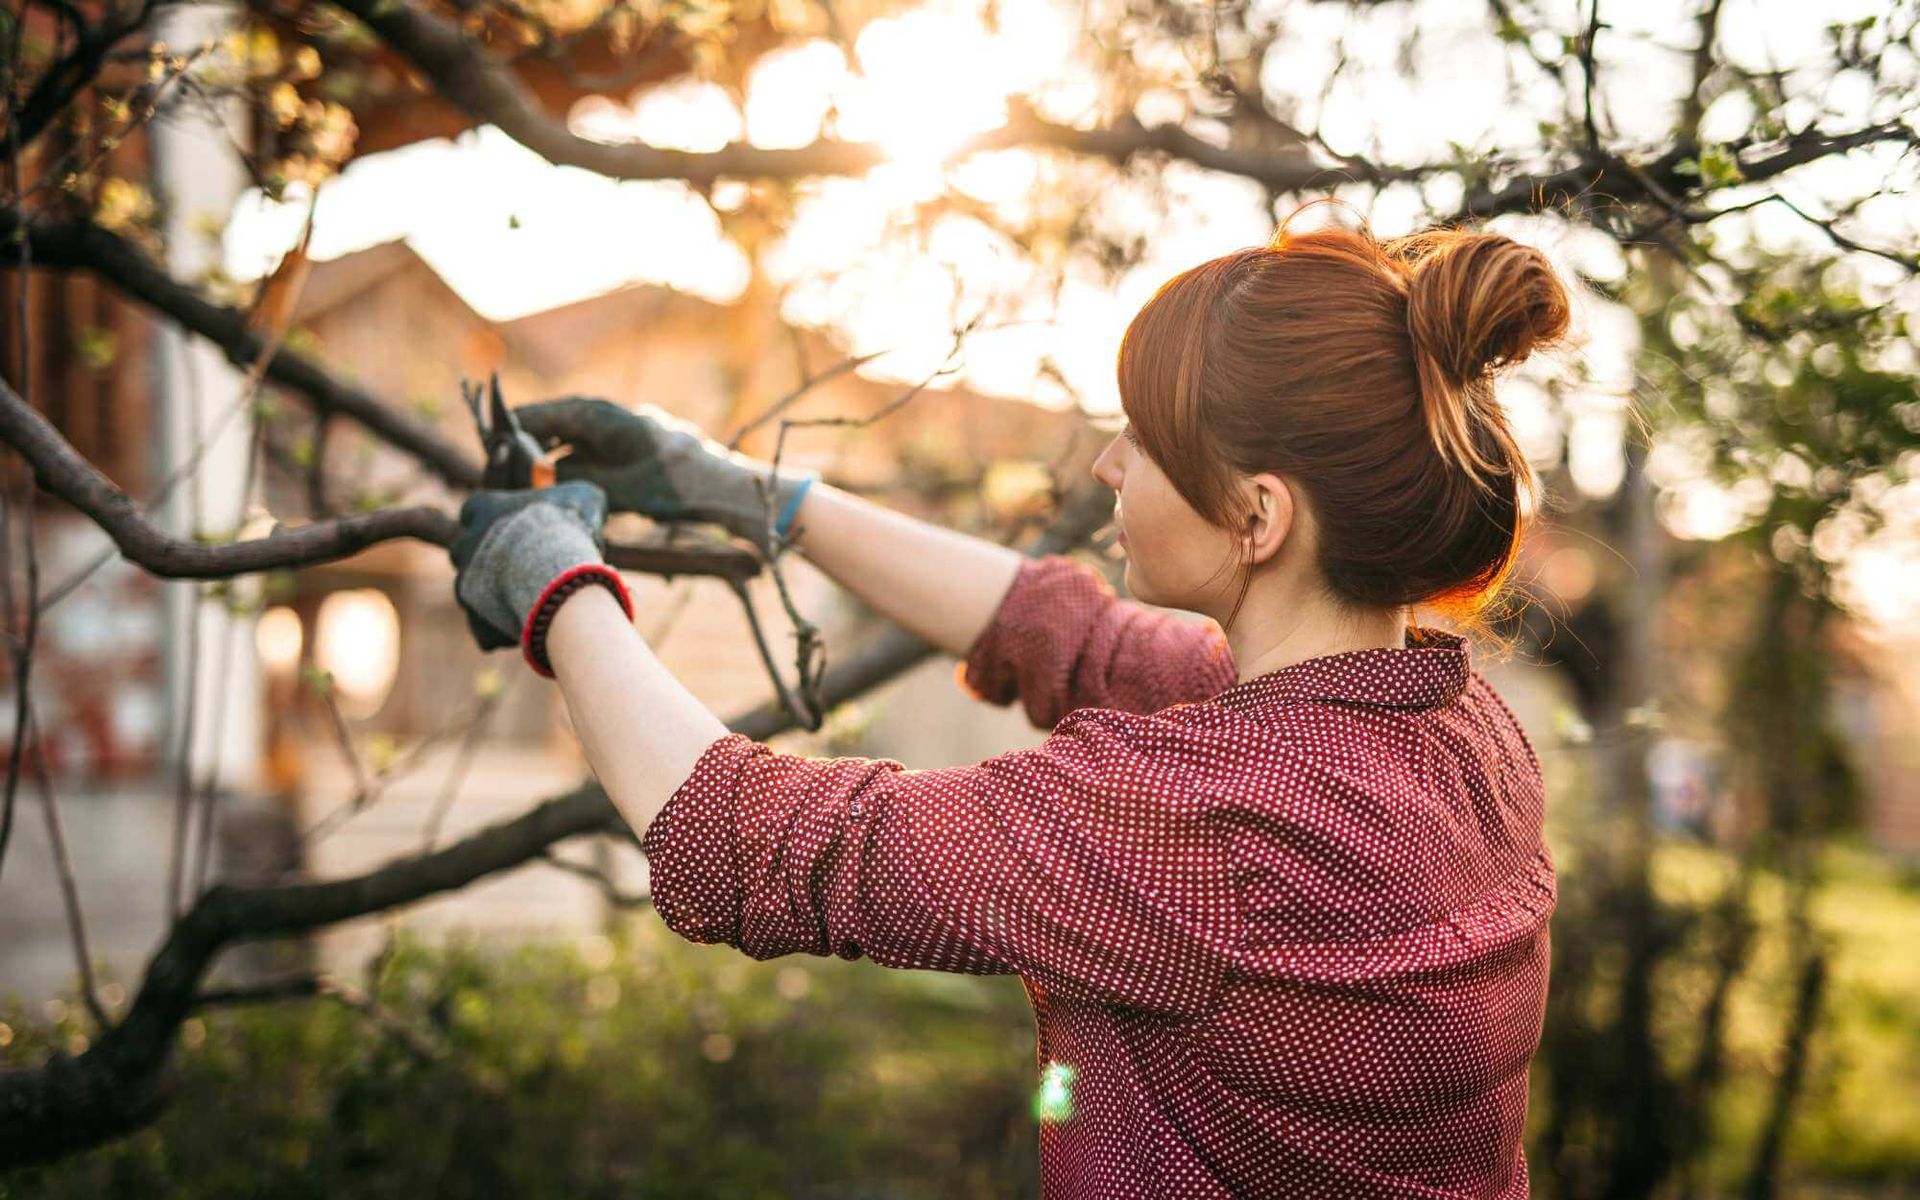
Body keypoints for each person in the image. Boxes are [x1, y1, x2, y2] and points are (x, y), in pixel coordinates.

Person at [447, 205, 1568, 1199]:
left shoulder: (1210, 824)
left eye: (1146, 438)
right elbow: (1063, 634)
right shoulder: (1458, 735)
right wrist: (738, 491)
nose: (1108, 466)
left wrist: (553, 585)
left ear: (1256, 518)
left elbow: (757, 840)